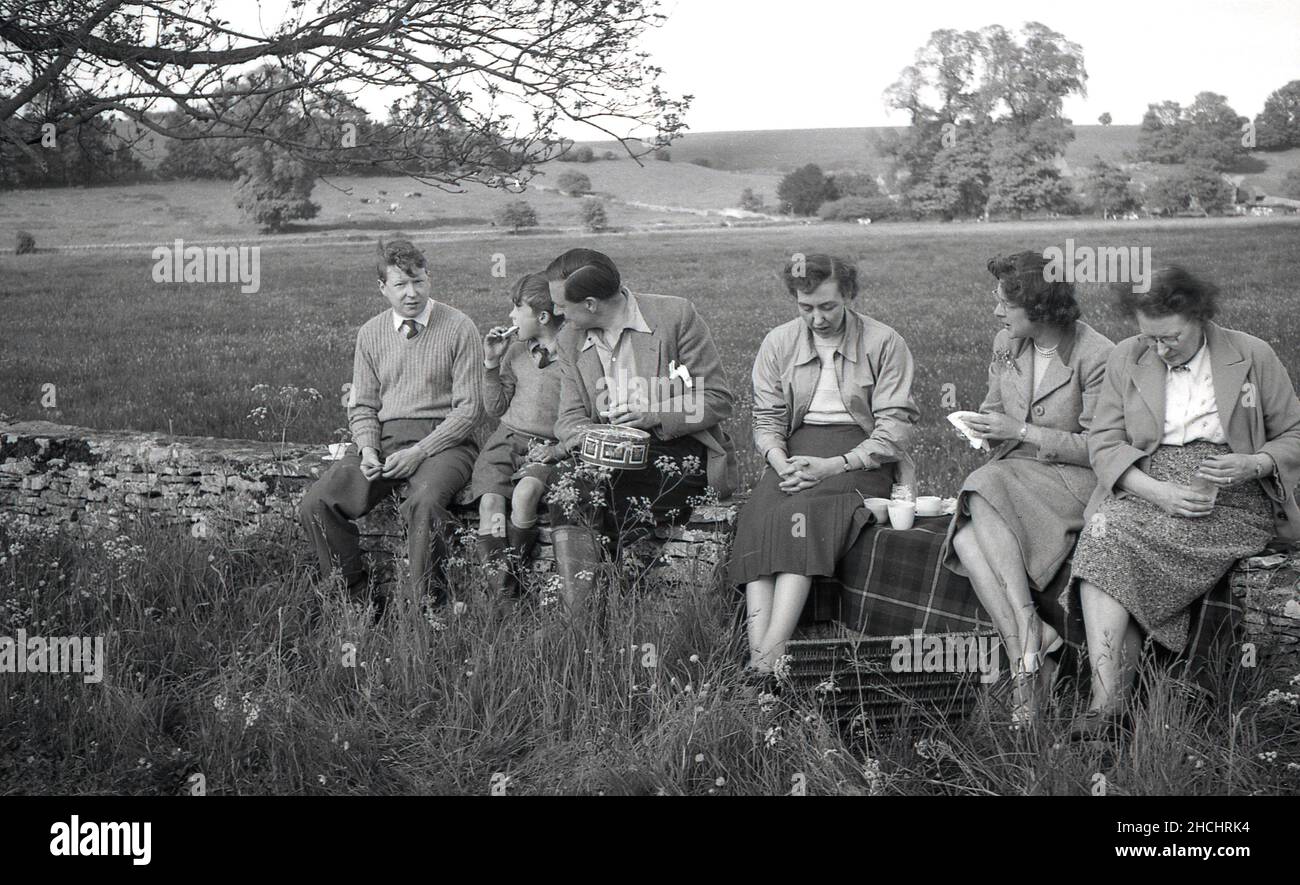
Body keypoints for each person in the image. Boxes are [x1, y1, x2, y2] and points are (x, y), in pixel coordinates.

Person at [1069, 265, 1300, 739]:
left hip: (1231, 495)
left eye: (1170, 337)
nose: (1158, 349)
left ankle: (1116, 700)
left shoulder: (1251, 354)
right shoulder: (1128, 358)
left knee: (1121, 541)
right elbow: (1105, 443)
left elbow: (1294, 434)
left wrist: (1254, 463)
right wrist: (1157, 492)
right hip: (1147, 485)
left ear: (1199, 316)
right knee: (1102, 536)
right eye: (1148, 337)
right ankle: (1107, 706)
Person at [941, 250, 1115, 725]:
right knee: (962, 535)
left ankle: (1024, 640)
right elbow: (995, 402)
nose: (996, 311)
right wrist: (981, 424)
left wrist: (1019, 432)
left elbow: (1101, 449)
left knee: (980, 488)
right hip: (1013, 472)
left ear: (1038, 308)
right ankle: (1032, 646)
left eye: (1004, 303)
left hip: (1075, 480)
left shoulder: (1097, 354)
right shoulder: (1006, 341)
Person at [730, 253, 919, 679]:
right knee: (761, 514)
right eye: (805, 308)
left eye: (828, 307)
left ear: (849, 296)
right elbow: (767, 419)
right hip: (796, 453)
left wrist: (833, 467)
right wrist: (781, 464)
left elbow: (894, 429)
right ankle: (759, 655)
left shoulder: (884, 342)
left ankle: (769, 657)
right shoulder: (778, 342)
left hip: (861, 454)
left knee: (804, 513)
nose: (816, 318)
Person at [298, 239, 484, 610]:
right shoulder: (370, 333)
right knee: (317, 503)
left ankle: (425, 608)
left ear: (429, 278)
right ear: (382, 288)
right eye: (400, 285)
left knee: (426, 503)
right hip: (383, 440)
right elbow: (363, 404)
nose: (411, 293)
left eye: (418, 282)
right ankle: (355, 599)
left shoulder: (460, 327)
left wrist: (419, 452)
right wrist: (367, 448)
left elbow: (469, 411)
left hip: (446, 442)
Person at [547, 248, 738, 609]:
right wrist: (599, 437)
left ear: (590, 303)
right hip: (602, 460)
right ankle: (584, 615)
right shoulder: (570, 340)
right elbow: (568, 420)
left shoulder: (674, 316)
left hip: (679, 452)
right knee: (568, 485)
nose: (556, 313)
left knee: (602, 491)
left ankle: (595, 611)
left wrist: (651, 414)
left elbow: (716, 398)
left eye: (561, 305)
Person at [471, 272, 566, 596]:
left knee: (525, 495)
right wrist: (491, 363)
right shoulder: (515, 352)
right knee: (490, 504)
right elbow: (495, 408)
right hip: (506, 440)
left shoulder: (574, 354)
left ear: (542, 316)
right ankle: (504, 593)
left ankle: (518, 572)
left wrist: (563, 447)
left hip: (547, 446)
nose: (510, 316)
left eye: (517, 308)